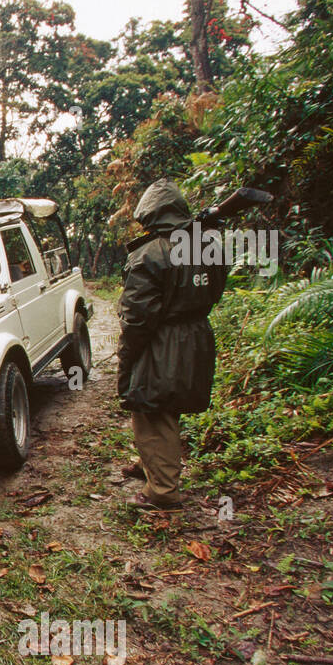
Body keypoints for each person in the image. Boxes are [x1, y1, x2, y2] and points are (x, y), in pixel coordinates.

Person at [117, 178, 227, 510]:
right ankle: (151, 465)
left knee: (151, 409)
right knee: (167, 402)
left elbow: (137, 316)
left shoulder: (150, 253)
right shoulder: (208, 244)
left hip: (162, 338)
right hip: (197, 332)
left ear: (150, 214)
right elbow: (216, 290)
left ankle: (162, 491)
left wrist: (128, 355)